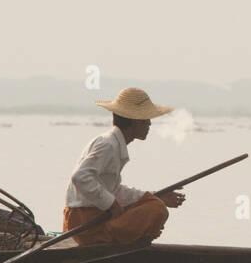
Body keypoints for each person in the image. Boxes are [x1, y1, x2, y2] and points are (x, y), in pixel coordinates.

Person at [62, 87, 185, 245]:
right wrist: (112, 204)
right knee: (157, 209)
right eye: (146, 119)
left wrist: (156, 195)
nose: (149, 124)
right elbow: (80, 177)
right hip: (83, 222)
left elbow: (114, 190)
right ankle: (117, 238)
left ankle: (124, 236)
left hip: (92, 216)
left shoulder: (113, 144)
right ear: (134, 121)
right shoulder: (107, 144)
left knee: (153, 204)